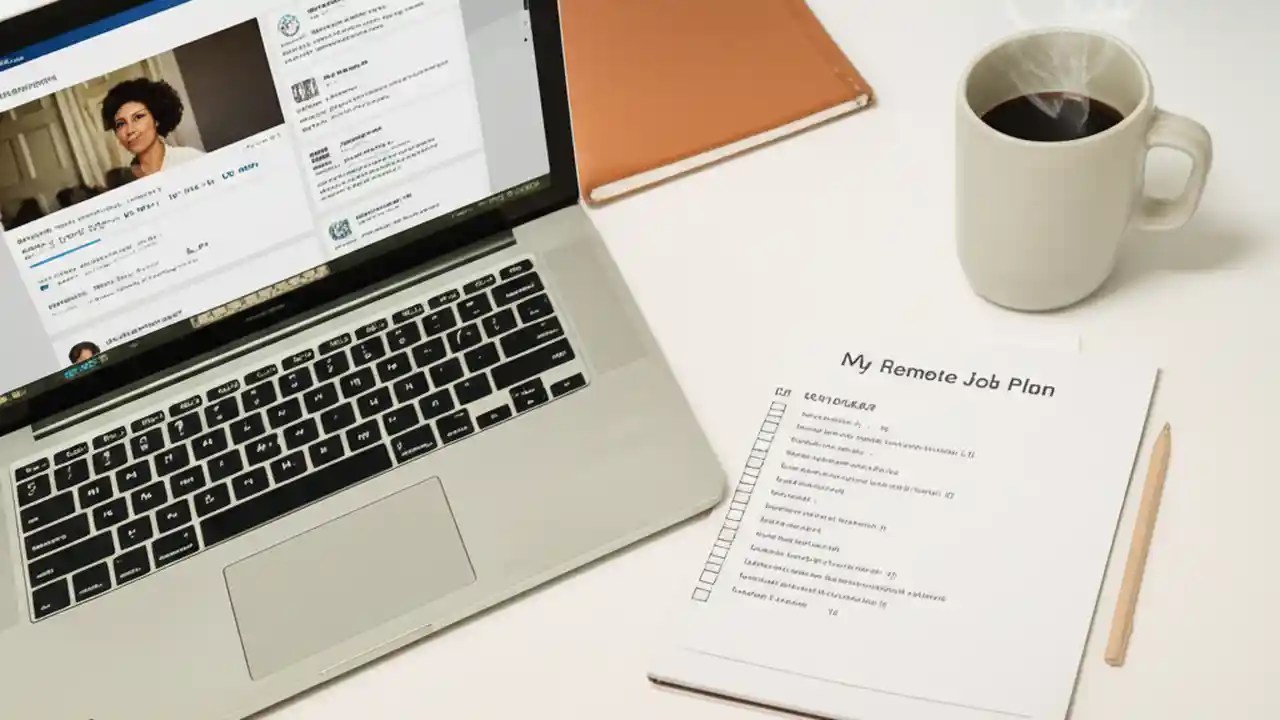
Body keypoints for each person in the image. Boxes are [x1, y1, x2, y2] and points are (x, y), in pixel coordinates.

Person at [100, 78, 204, 179]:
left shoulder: (190, 159)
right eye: (121, 124)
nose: (130, 130)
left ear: (156, 119)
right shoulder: (123, 180)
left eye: (138, 117)